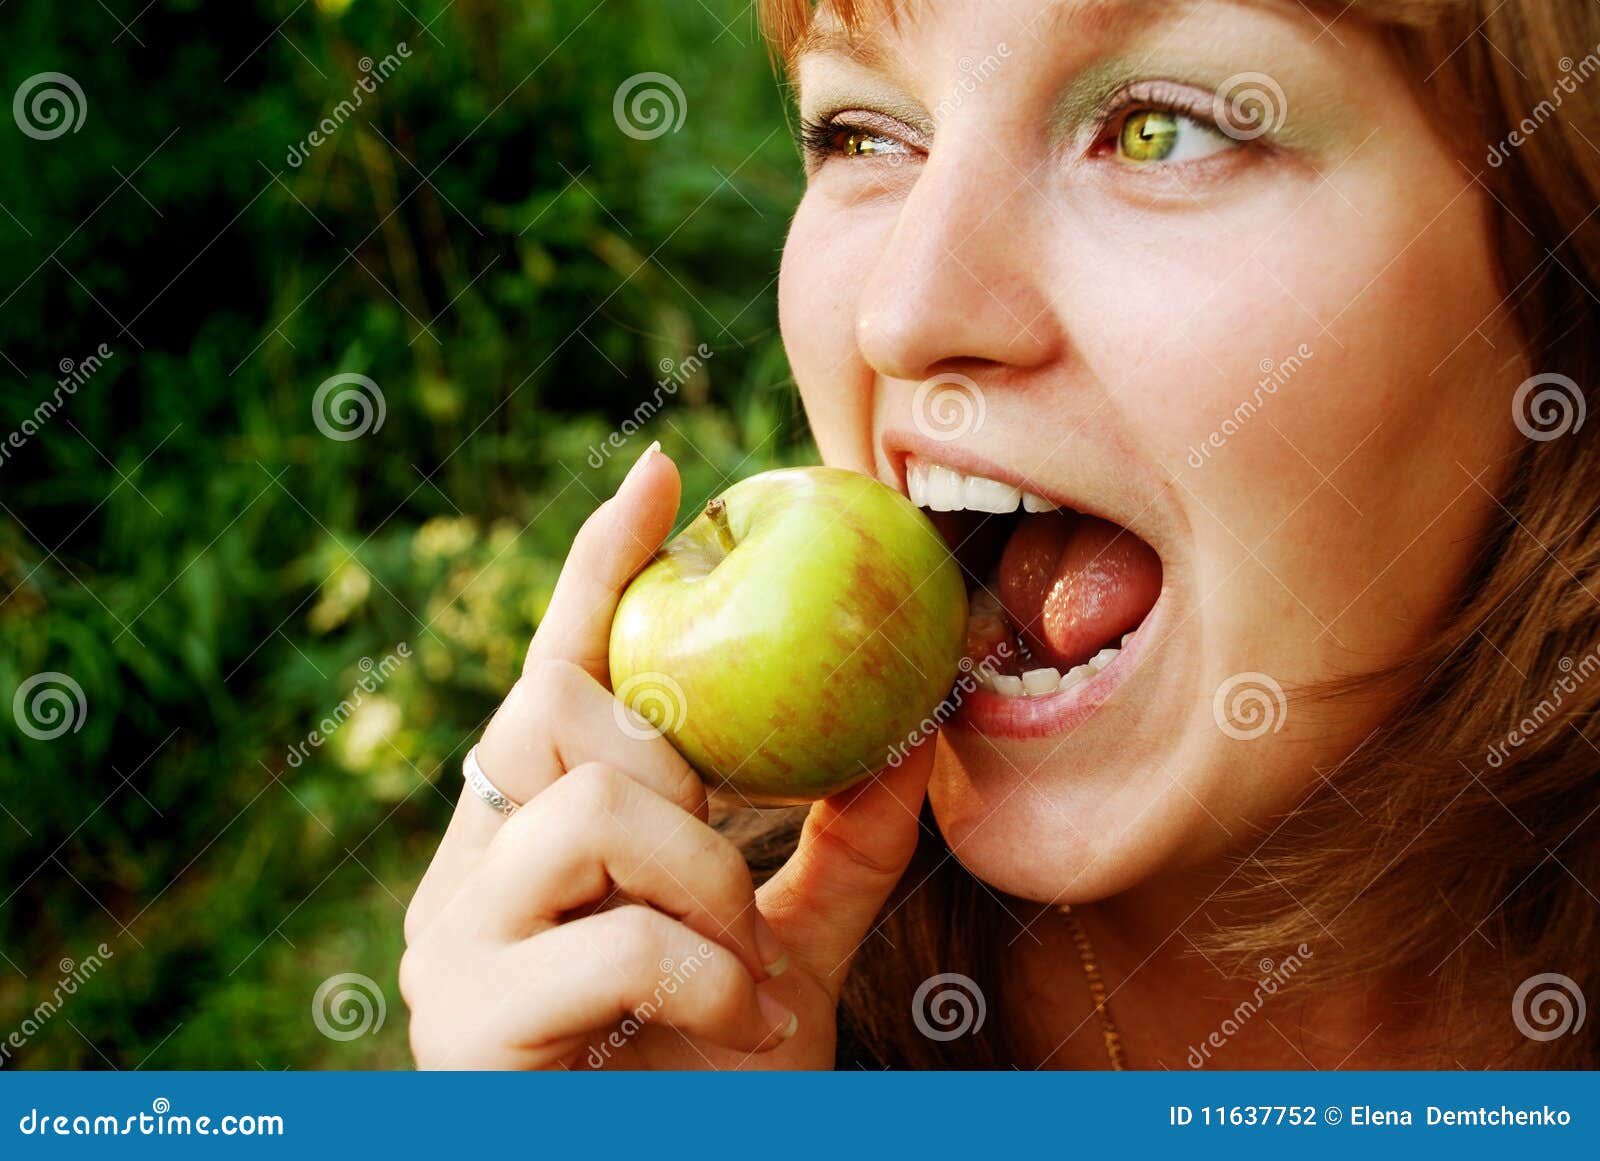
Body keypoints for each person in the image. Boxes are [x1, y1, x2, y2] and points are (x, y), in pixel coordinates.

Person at [402, 0, 1600, 1068]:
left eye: (1159, 126)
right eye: (862, 133)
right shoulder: (719, 990)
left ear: (1559, 255)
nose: (904, 313)